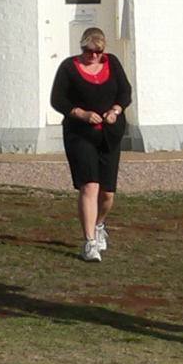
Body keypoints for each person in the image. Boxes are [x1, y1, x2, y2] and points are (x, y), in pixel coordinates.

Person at [50, 26, 132, 261]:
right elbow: (58, 99)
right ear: (82, 48)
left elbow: (125, 93)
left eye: (98, 51)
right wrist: (80, 113)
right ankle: (90, 242)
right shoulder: (68, 67)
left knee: (107, 193)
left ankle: (99, 224)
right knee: (90, 186)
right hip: (80, 135)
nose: (93, 56)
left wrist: (115, 111)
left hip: (109, 135)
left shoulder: (113, 63)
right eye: (89, 51)